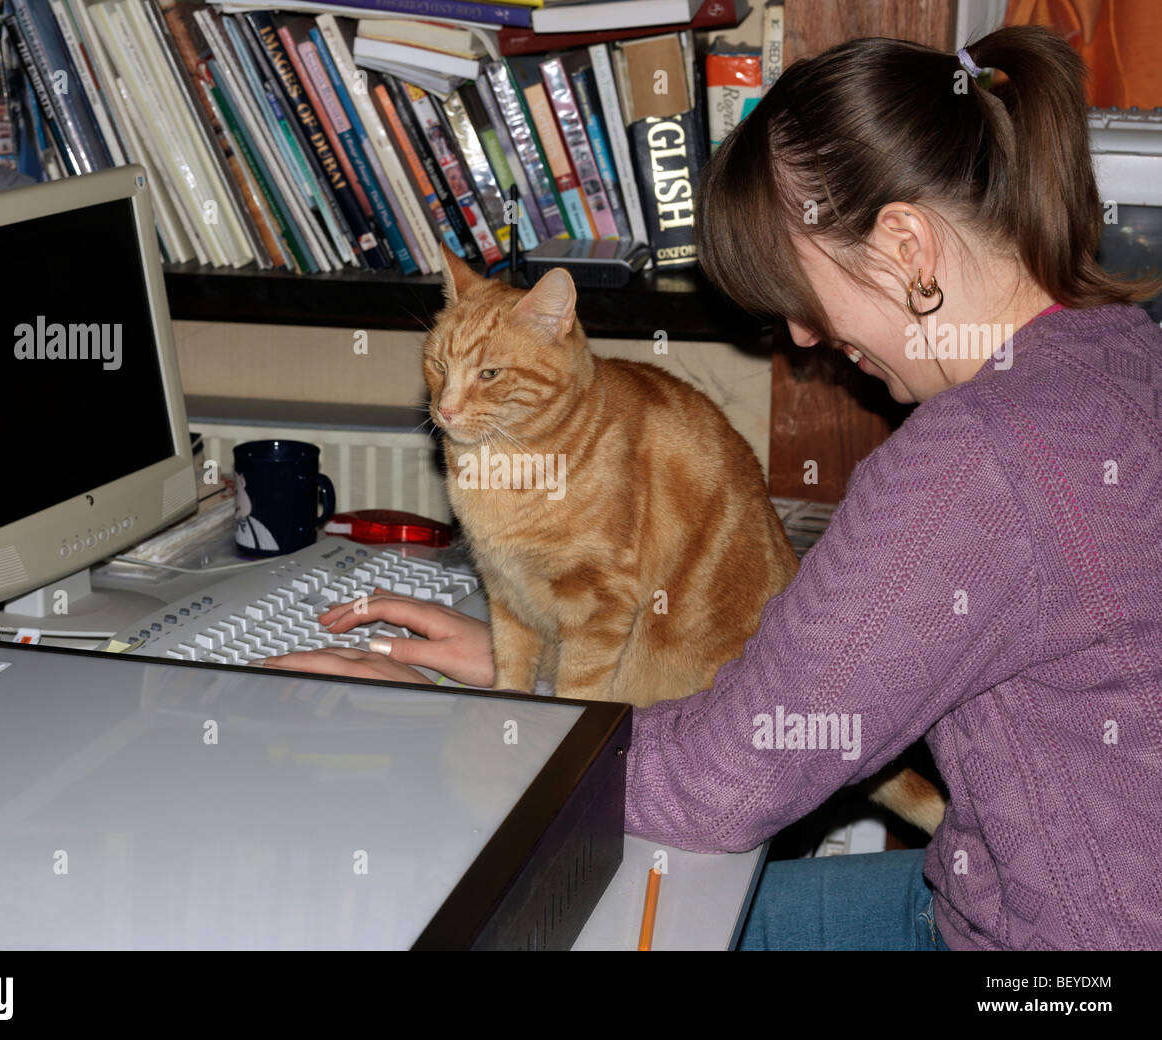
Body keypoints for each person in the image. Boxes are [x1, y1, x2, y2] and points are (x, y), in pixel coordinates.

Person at [260, 26, 1162, 951]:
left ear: (905, 245)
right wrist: (520, 666)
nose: (805, 337)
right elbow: (849, 680)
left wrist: (470, 728)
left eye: (797, 292)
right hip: (1002, 898)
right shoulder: (1123, 356)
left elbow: (724, 785)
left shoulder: (977, 457)